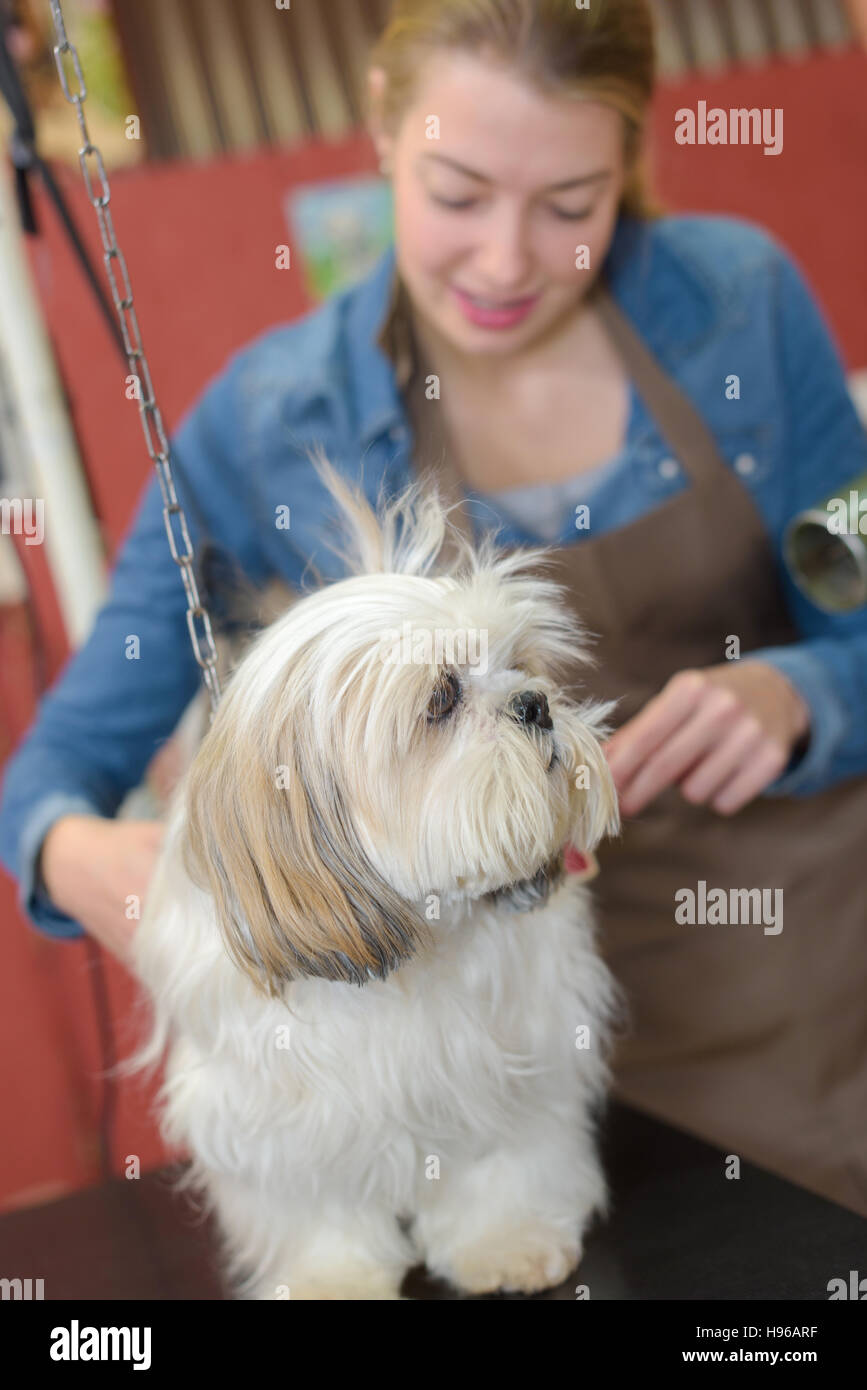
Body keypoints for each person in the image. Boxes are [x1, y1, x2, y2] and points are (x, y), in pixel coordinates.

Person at [2, 0, 866, 1215]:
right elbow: (56, 771)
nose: (508, 262)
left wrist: (806, 689)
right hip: (477, 1086)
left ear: (628, 161)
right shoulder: (268, 426)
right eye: (458, 194)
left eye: (569, 205)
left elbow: (863, 590)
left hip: (802, 1019)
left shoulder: (749, 306)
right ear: (381, 132)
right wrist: (79, 853)